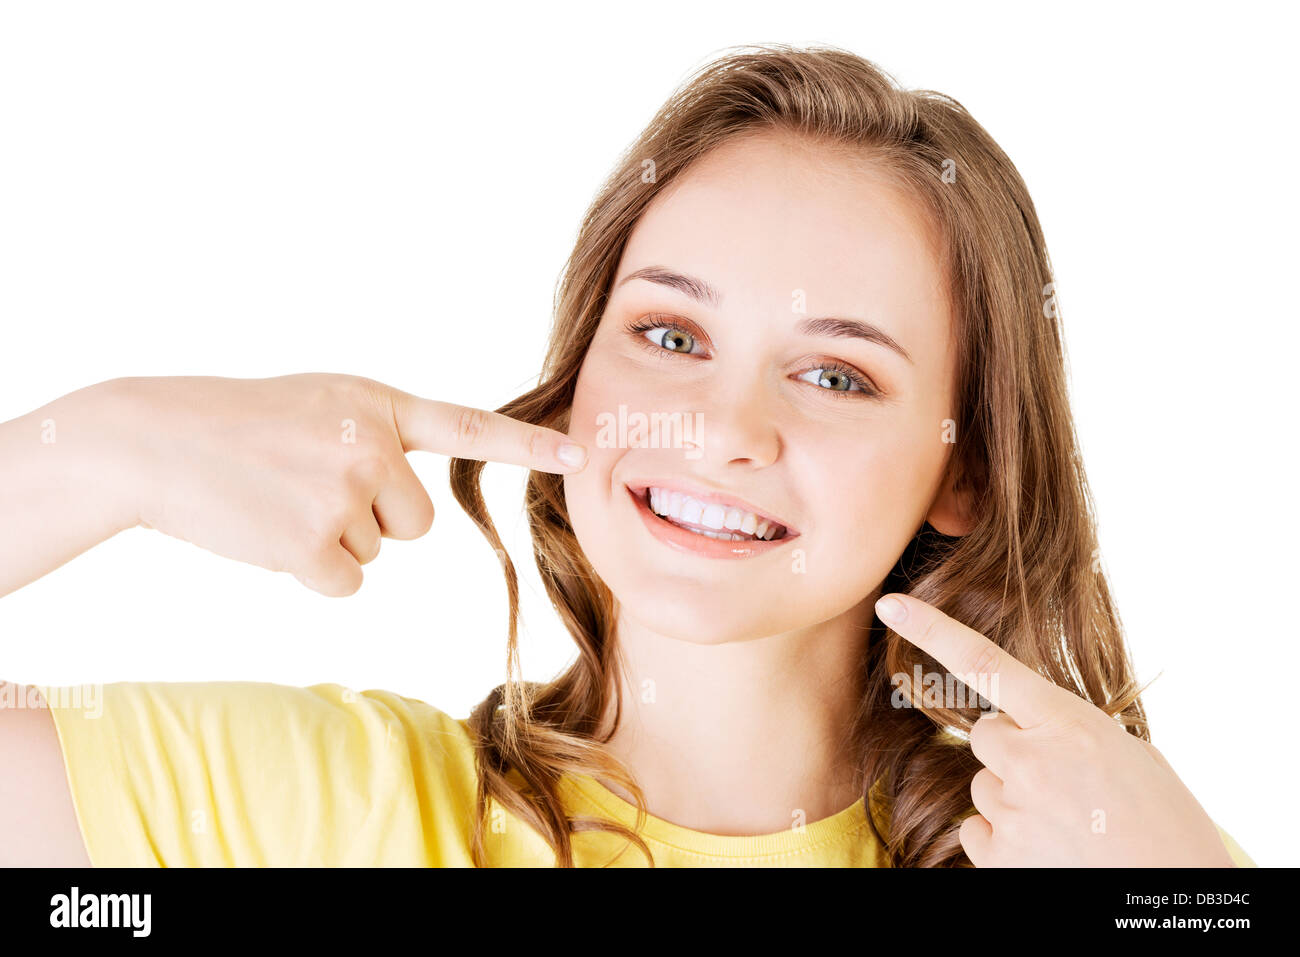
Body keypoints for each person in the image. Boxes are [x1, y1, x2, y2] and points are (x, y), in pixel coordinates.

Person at [0, 44, 1255, 867]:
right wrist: (113, 443)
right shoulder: (337, 809)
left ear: (965, 467)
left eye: (834, 373)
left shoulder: (1103, 860)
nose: (717, 427)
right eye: (667, 332)